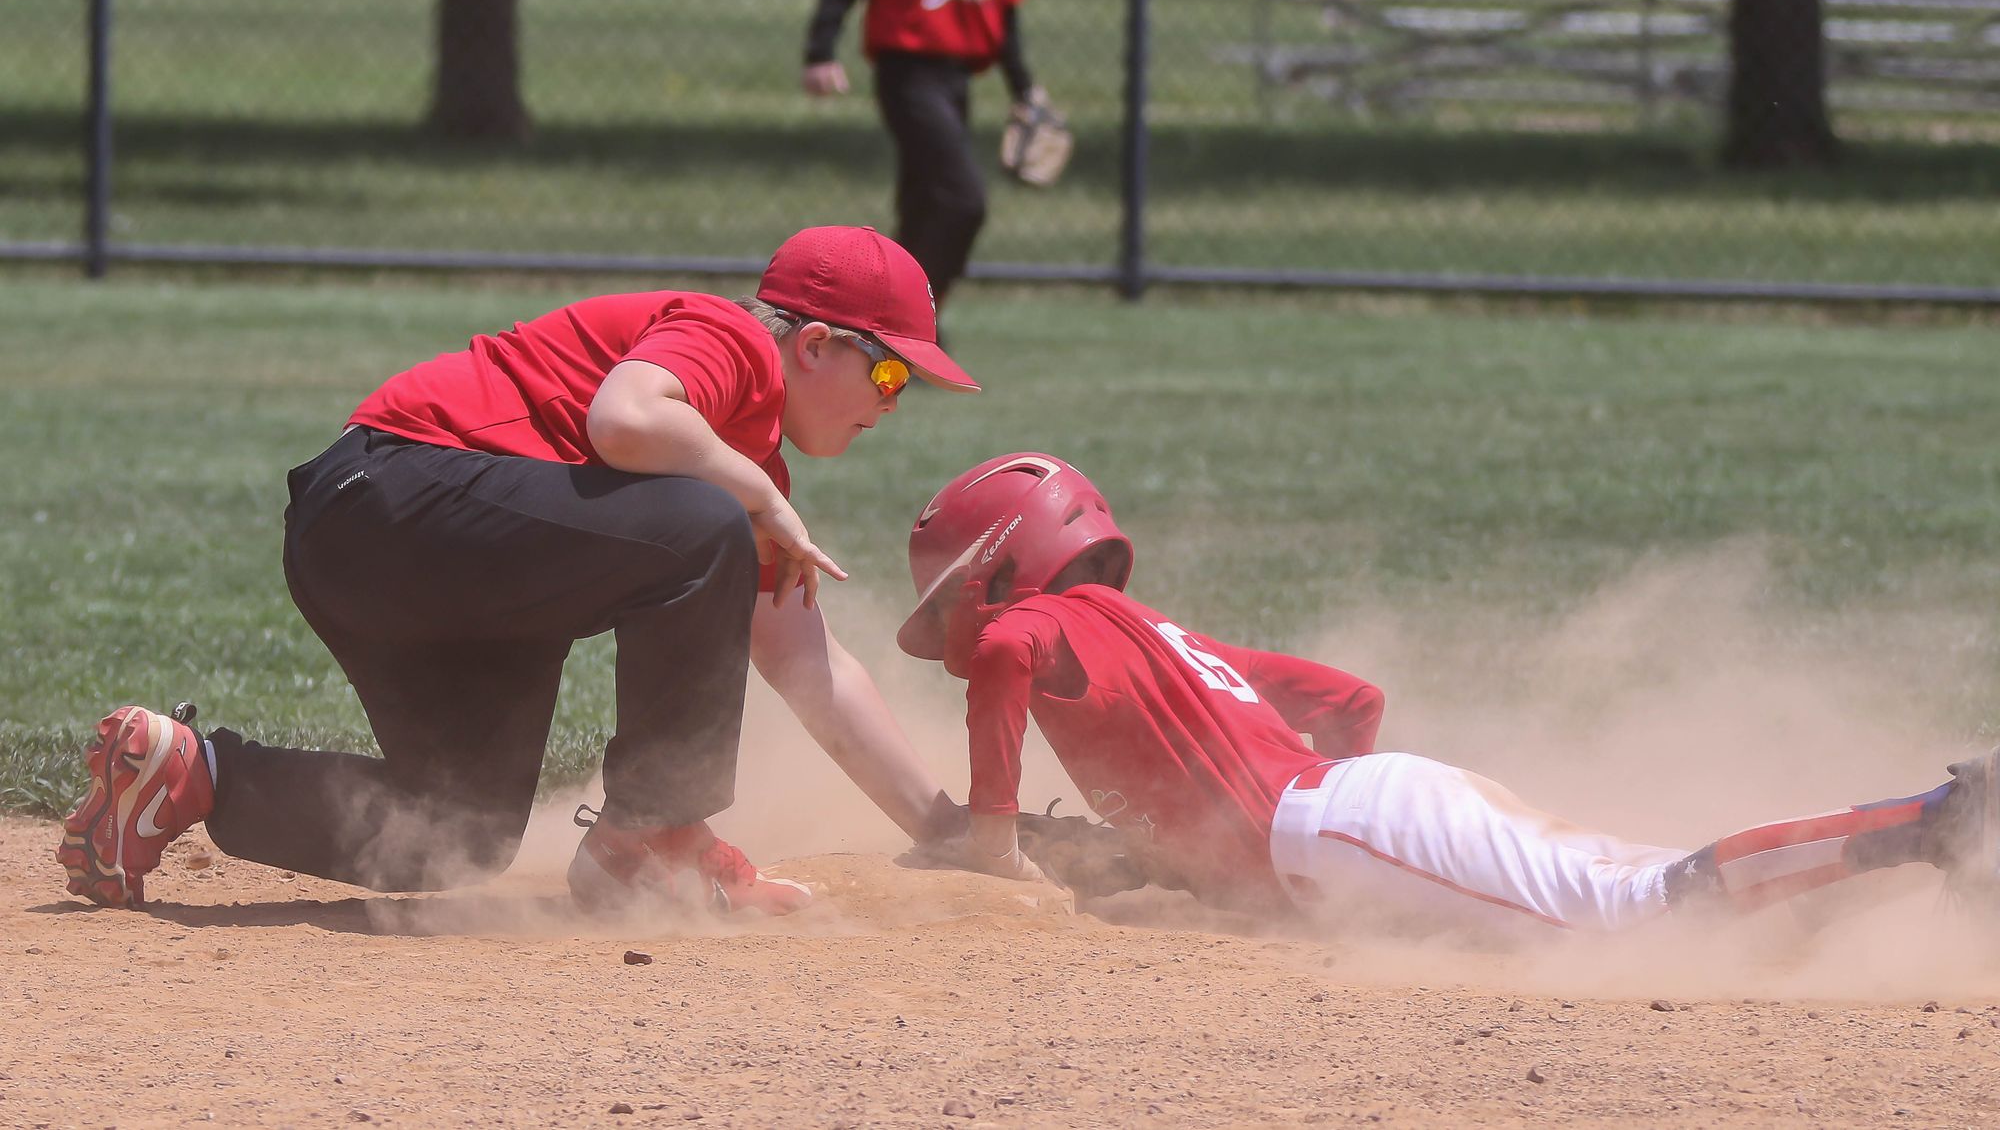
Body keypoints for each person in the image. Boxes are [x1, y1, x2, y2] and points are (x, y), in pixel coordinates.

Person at [59, 225, 978, 918]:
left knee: (456, 834)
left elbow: (810, 665)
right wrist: (758, 496)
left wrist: (949, 831)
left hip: (405, 553)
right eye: (891, 376)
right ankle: (650, 843)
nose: (894, 405)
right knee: (708, 524)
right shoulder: (730, 346)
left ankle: (195, 773)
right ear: (813, 344)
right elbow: (624, 418)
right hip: (390, 491)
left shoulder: (733, 472)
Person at [894, 452, 2000, 935]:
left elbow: (1005, 652)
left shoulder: (1051, 624)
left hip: (1346, 826)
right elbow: (1350, 699)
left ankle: (1936, 820)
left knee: (1639, 913)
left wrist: (992, 842)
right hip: (1368, 809)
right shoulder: (1157, 636)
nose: (959, 628)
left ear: (1000, 568)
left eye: (954, 599)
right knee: (1652, 894)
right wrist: (1221, 847)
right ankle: (1916, 862)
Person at [800, 0, 1043, 310]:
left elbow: (1004, 16)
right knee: (962, 200)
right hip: (906, 73)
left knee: (923, 205)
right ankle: (911, 319)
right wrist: (820, 50)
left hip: (958, 79)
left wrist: (1024, 90)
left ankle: (883, 323)